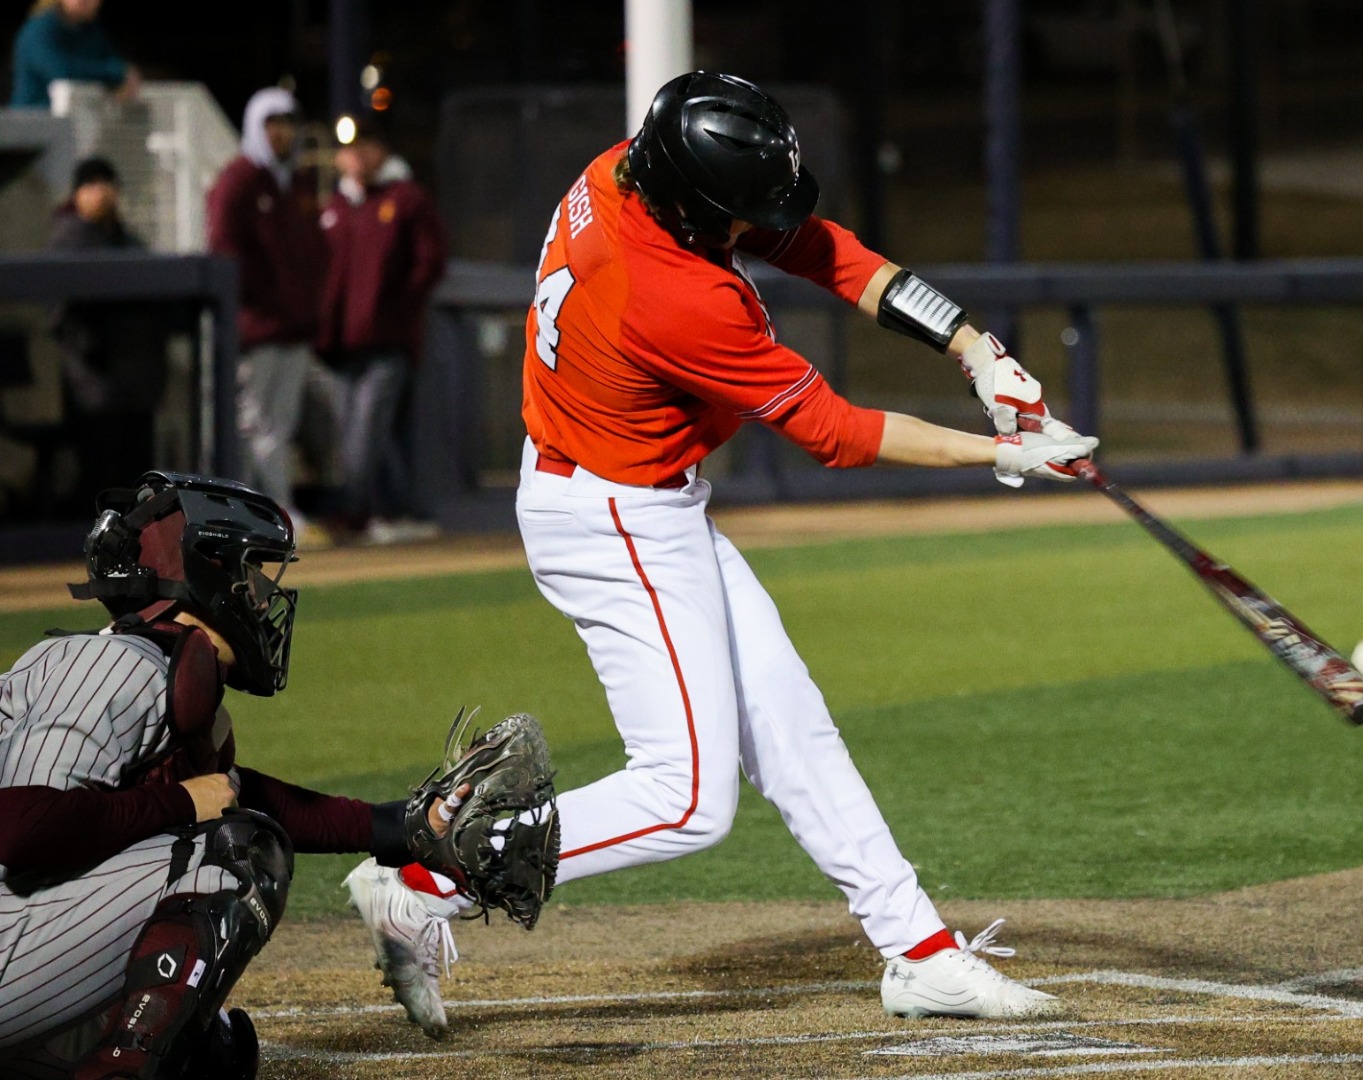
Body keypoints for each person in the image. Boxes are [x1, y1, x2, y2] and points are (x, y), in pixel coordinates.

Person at [343, 71, 1099, 1035]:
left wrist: (973, 348)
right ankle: (426, 880)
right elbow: (833, 430)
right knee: (686, 796)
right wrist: (999, 451)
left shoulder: (624, 171)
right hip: (611, 516)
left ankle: (920, 953)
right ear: (696, 203)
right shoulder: (677, 295)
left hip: (631, 491)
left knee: (791, 725)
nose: (758, 227)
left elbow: (821, 248)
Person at [0, 471, 457, 1078]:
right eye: (253, 573)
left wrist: (403, 827)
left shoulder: (153, 671)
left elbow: (245, 795)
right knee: (234, 853)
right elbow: (22, 830)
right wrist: (179, 807)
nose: (264, 597)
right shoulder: (106, 666)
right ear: (206, 574)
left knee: (206, 1052)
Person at [315, 115, 447, 539]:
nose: (354, 157)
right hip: (341, 346)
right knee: (370, 437)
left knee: (365, 433)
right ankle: (398, 513)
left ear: (381, 150)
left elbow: (430, 261)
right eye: (348, 150)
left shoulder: (405, 198)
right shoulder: (337, 206)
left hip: (388, 342)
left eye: (363, 147)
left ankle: (353, 515)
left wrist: (395, 311)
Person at [207, 87, 329, 543]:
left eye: (287, 123)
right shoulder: (237, 180)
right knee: (254, 426)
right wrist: (256, 304)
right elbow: (222, 249)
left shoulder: (291, 184)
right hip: (257, 329)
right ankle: (259, 515)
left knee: (278, 427)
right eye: (271, 123)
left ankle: (272, 512)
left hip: (292, 329)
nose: (281, 132)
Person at [50, 157, 177, 512]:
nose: (102, 193)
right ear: (76, 194)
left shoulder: (127, 239)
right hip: (95, 381)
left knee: (136, 480)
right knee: (101, 478)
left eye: (107, 184)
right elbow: (66, 317)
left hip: (136, 383)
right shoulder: (69, 238)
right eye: (91, 185)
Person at [8, 0, 138, 109]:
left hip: (73, 124)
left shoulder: (90, 32)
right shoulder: (38, 31)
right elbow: (63, 72)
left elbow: (114, 62)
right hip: (30, 124)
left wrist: (124, 75)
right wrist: (117, 72)